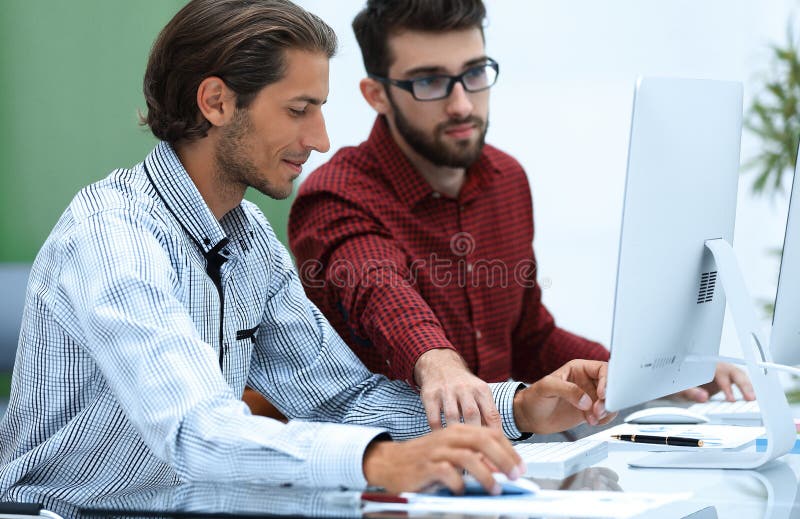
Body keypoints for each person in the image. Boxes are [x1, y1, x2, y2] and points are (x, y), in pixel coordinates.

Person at [0, 0, 614, 503]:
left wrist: (522, 408)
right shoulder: (113, 236)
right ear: (215, 103)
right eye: (299, 110)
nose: (320, 140)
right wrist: (381, 460)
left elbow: (340, 399)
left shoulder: (247, 242)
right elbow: (197, 433)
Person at [288, 0, 754, 431]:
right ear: (377, 95)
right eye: (429, 82)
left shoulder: (506, 179)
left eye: (474, 73)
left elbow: (530, 338)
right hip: (392, 470)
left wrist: (653, 371)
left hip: (508, 463)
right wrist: (438, 362)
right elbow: (378, 287)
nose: (462, 104)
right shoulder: (336, 193)